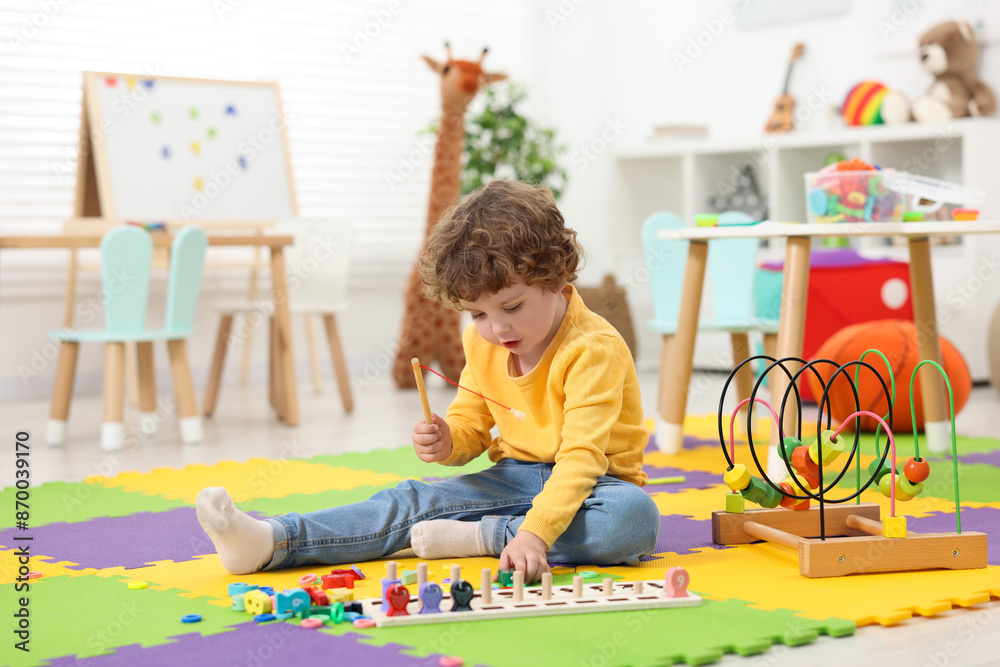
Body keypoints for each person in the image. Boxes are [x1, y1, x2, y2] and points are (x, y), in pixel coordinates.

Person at [195, 179, 659, 582]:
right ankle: (273, 541)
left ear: (556, 278)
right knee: (413, 499)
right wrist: (448, 439)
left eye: (512, 307)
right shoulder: (483, 343)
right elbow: (472, 424)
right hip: (516, 478)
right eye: (478, 313)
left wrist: (535, 534)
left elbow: (580, 458)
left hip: (598, 484)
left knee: (632, 521)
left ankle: (486, 535)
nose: (498, 329)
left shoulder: (593, 348)